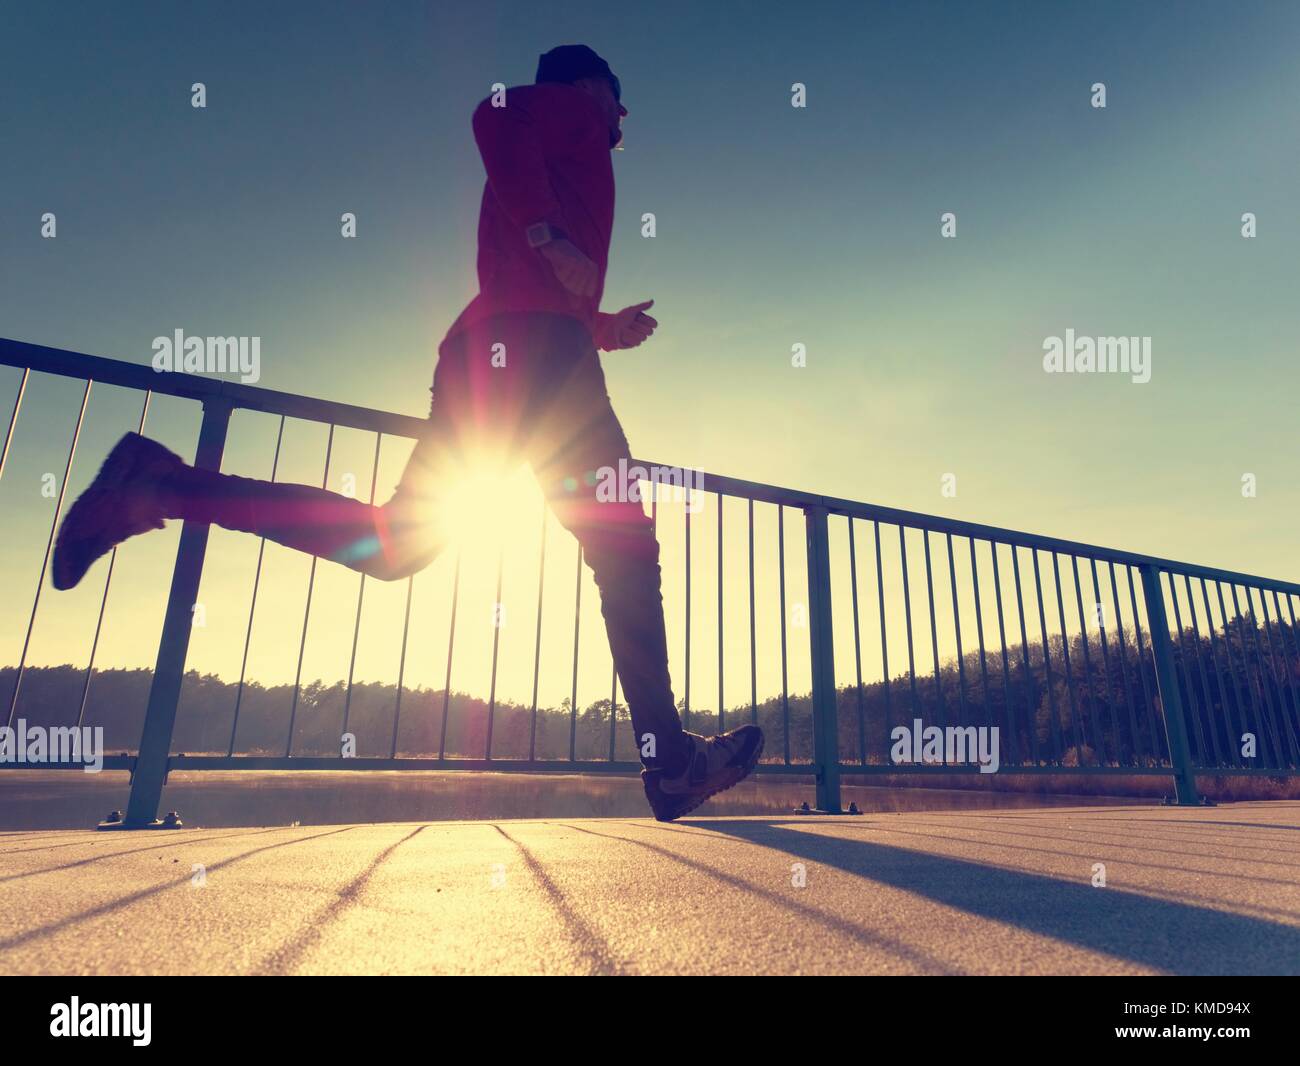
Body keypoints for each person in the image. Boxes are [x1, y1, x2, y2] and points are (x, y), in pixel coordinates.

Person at [51, 44, 763, 821]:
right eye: (618, 96)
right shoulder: (576, 113)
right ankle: (670, 761)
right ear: (592, 85)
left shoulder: (565, 145)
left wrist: (598, 324)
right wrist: (549, 236)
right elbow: (493, 112)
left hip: (493, 344)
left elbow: (523, 275)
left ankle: (163, 484)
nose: (624, 115)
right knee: (623, 542)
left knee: (398, 544)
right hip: (537, 350)